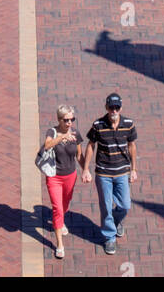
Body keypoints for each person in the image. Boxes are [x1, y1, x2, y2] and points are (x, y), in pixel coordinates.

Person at [81, 93, 138, 254]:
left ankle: (114, 221)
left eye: (117, 107)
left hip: (122, 172)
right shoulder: (98, 124)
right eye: (111, 107)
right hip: (104, 173)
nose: (114, 110)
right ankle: (109, 237)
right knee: (105, 206)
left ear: (121, 108)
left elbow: (132, 146)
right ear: (106, 107)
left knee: (125, 205)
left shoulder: (128, 124)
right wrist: (85, 169)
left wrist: (133, 169)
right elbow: (91, 146)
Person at [42, 105, 86, 258]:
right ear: (59, 120)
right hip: (54, 176)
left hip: (70, 175)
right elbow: (47, 145)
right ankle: (59, 244)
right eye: (66, 120)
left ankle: (60, 222)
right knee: (57, 209)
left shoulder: (76, 133)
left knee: (65, 204)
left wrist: (85, 170)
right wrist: (62, 137)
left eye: (72, 119)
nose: (69, 123)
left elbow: (79, 155)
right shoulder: (52, 132)